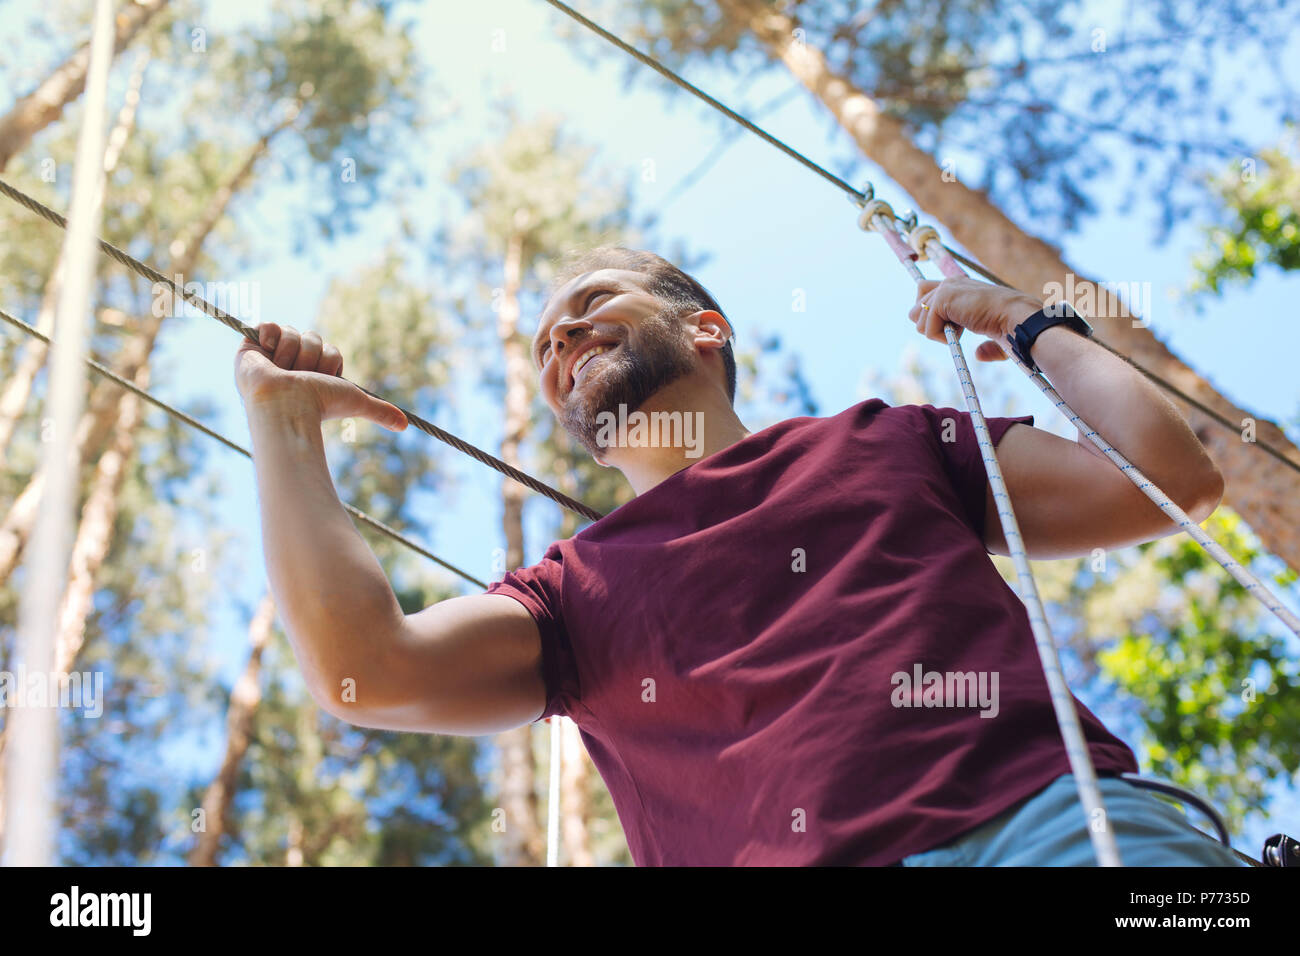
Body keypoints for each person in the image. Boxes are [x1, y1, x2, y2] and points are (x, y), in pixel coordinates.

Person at [234, 246, 1243, 866]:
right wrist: (283, 429)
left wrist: (1028, 322)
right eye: (545, 345)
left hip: (1059, 830)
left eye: (589, 302)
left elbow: (1166, 479)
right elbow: (364, 668)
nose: (561, 340)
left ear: (703, 328)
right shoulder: (568, 593)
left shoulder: (887, 441)